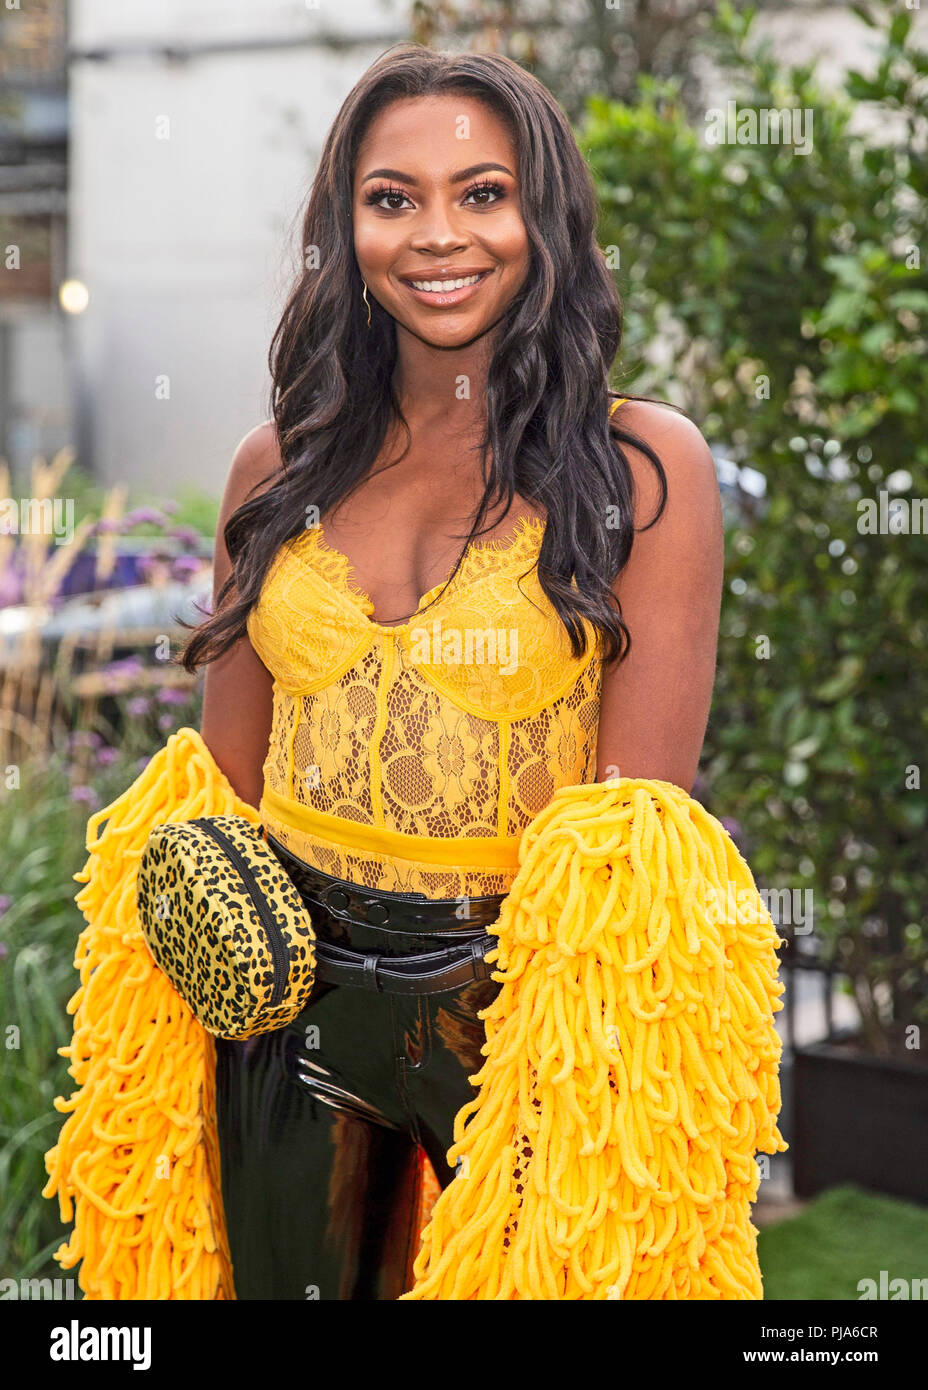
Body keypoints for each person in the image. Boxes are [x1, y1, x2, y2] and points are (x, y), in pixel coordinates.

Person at [178, 43, 724, 1300]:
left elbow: (630, 850)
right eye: (392, 197)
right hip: (284, 1008)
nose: (437, 235)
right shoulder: (278, 466)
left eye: (482, 193)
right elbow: (221, 797)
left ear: (543, 216)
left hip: (517, 1018)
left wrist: (581, 1065)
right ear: (345, 227)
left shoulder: (639, 467)